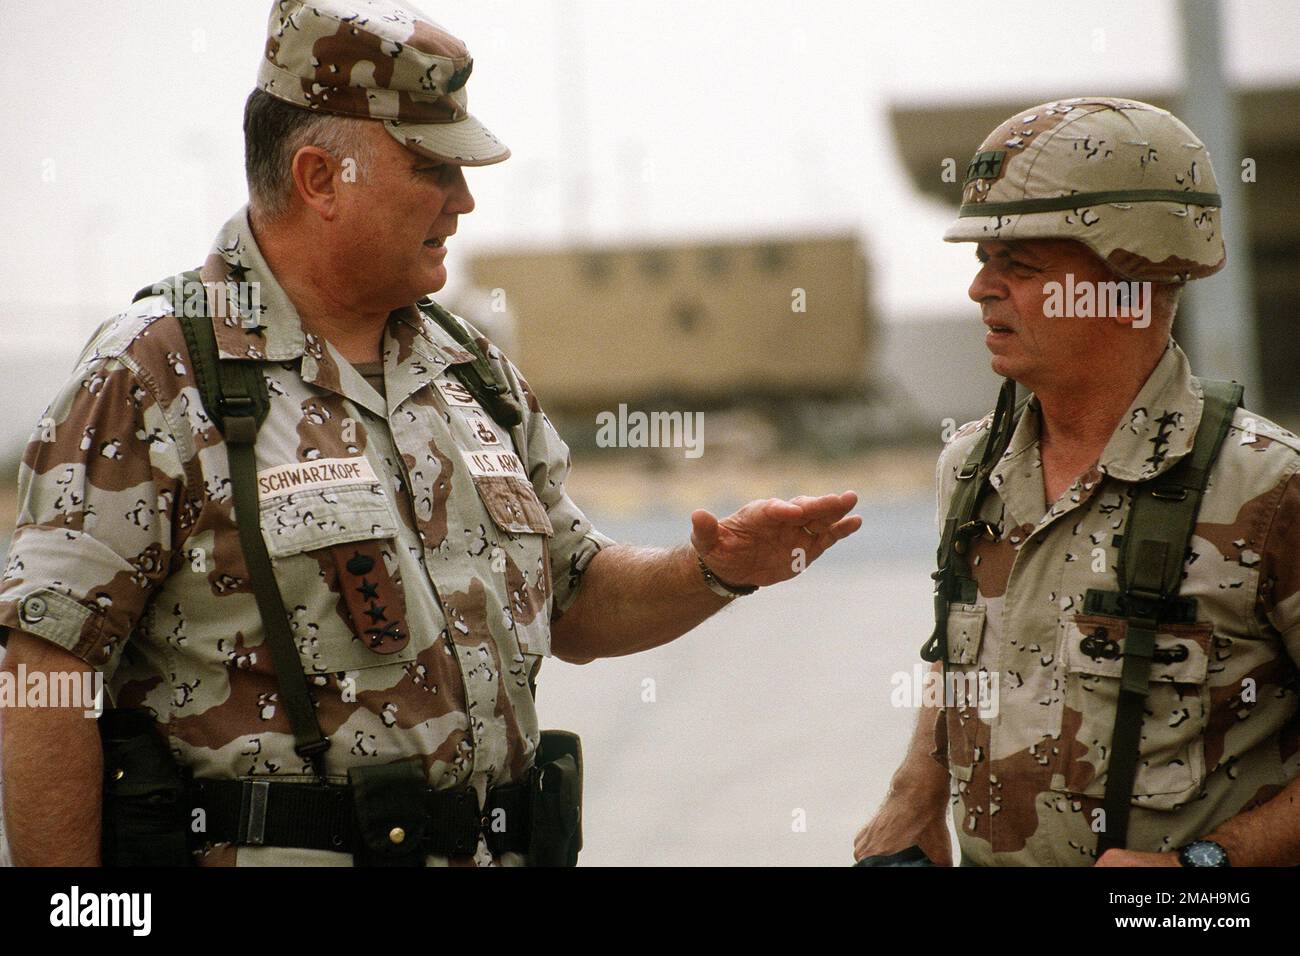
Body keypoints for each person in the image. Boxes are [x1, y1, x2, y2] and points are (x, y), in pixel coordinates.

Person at [0, 0, 861, 867]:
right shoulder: (152, 376)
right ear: (319, 179)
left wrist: (715, 570)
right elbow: (45, 677)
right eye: (430, 169)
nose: (464, 199)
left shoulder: (466, 365)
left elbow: (576, 596)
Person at [854, 97, 1300, 867]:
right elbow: (958, 654)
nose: (981, 290)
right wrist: (914, 791)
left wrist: (1204, 869)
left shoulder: (1267, 491)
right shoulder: (971, 469)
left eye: (1018, 267)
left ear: (1131, 282)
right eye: (982, 262)